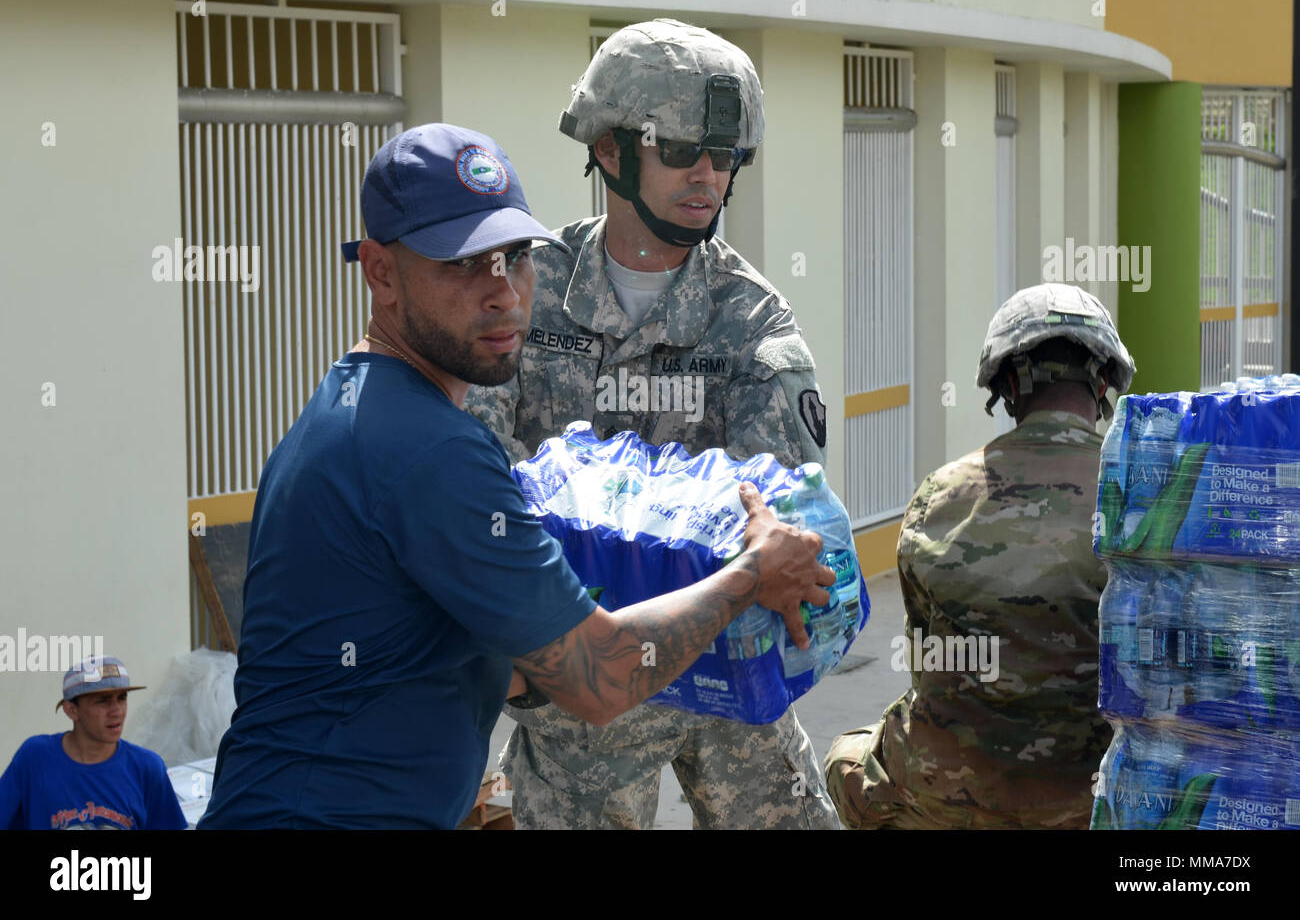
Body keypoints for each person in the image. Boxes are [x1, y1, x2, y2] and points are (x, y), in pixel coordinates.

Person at [196, 123, 833, 830]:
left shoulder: (359, 403)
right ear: (380, 273)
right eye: (462, 264)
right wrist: (752, 575)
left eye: (515, 257)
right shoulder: (429, 449)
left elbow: (490, 659)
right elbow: (601, 676)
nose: (503, 293)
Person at [464, 19, 840, 830]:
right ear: (610, 150)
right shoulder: (526, 288)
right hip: (577, 685)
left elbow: (783, 525)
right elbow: (479, 479)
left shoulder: (753, 322)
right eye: (681, 151)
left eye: (726, 155)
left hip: (722, 673)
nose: (707, 174)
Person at [822, 283, 1137, 829]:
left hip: (946, 800)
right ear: (1104, 381)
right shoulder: (1141, 498)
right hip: (1098, 802)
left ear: (1008, 385)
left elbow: (928, 658)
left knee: (842, 758)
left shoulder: (939, 494)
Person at [0, 656, 187, 830]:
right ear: (71, 710)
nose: (117, 711)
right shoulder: (35, 757)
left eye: (122, 698)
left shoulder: (147, 767)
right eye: (103, 701)